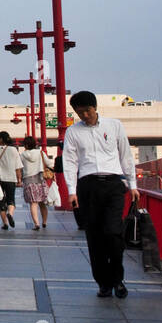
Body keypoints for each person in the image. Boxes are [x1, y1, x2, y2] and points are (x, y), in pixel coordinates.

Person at [63, 91, 138, 299]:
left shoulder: (114, 125)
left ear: (95, 107)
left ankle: (117, 279)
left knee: (113, 234)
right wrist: (71, 190)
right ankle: (104, 283)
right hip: (88, 186)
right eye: (80, 113)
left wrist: (132, 184)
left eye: (87, 111)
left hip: (114, 184)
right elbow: (70, 162)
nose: (85, 116)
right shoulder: (73, 132)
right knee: (94, 237)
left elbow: (126, 155)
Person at [0, 131, 23, 231]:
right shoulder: (13, 150)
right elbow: (18, 167)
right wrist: (19, 180)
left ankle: (5, 223)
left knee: (0, 200)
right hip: (11, 179)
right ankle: (10, 213)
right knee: (11, 199)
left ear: (0, 139)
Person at [19, 137, 49, 230]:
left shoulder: (22, 155)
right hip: (40, 179)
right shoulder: (40, 153)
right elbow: (48, 163)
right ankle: (44, 222)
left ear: (26, 145)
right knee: (42, 203)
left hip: (28, 181)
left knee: (33, 203)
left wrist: (19, 179)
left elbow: (20, 167)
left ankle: (37, 224)